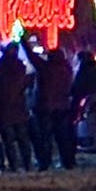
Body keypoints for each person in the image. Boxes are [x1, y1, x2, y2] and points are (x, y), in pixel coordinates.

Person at [0, 42, 33, 172]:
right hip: (19, 109)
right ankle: (27, 164)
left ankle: (14, 165)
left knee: (9, 141)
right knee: (23, 139)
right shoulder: (20, 69)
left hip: (4, 110)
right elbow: (26, 85)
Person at [30, 42, 78, 171]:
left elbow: (32, 57)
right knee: (63, 137)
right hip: (62, 107)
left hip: (46, 108)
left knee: (45, 138)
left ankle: (44, 163)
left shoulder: (46, 68)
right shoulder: (66, 69)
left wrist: (23, 40)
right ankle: (68, 162)